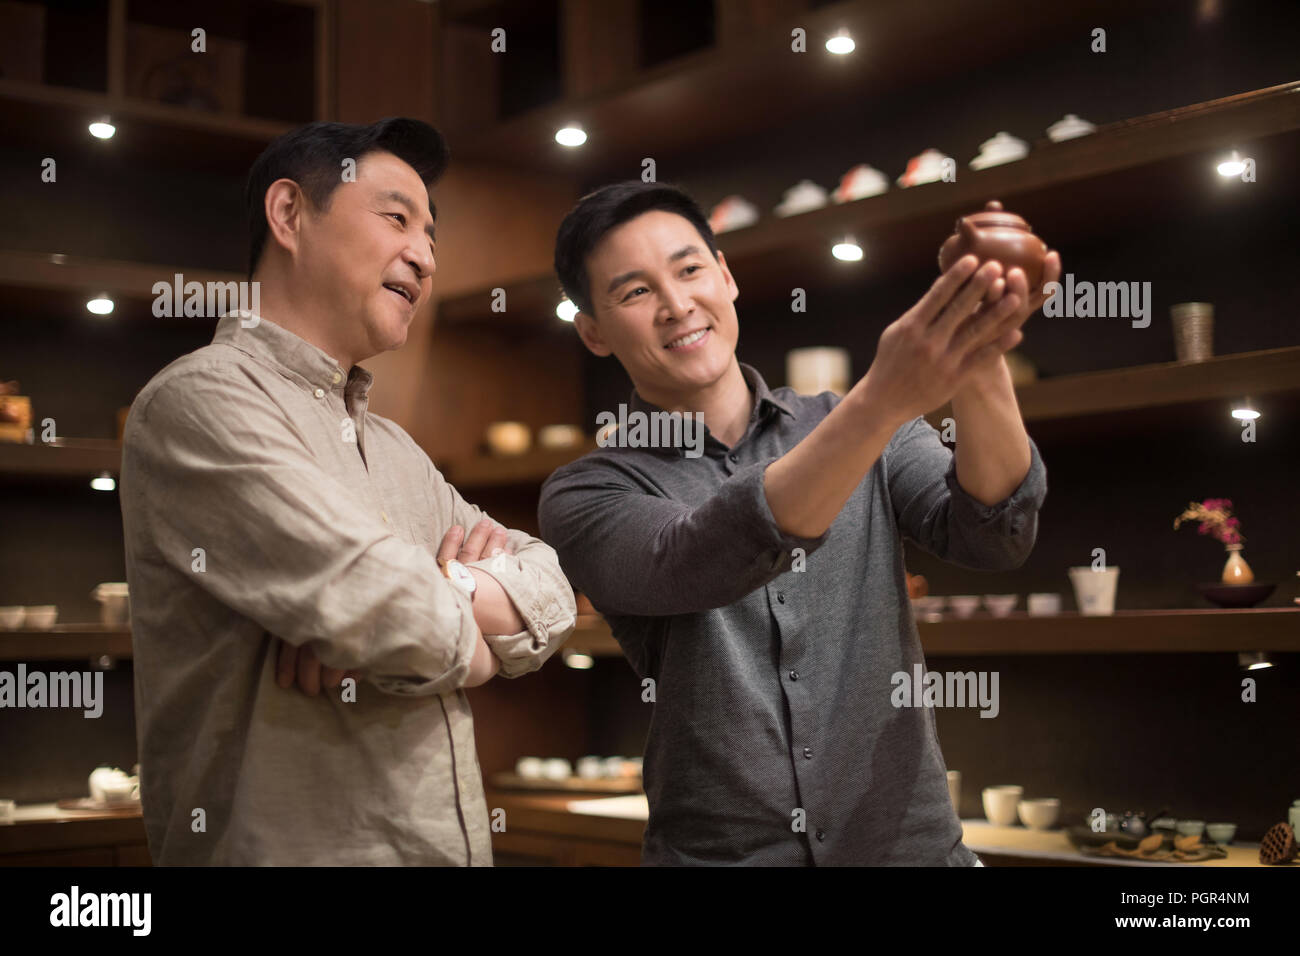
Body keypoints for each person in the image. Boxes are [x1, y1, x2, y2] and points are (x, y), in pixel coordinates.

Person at [538, 181, 1055, 865]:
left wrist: (979, 350)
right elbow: (700, 555)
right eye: (635, 292)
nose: (677, 305)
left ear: (725, 275)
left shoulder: (864, 427)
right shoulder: (588, 491)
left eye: (690, 269)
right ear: (593, 332)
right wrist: (879, 402)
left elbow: (992, 533)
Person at [120, 118, 576, 865]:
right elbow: (401, 617)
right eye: (397, 217)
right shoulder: (199, 402)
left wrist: (429, 593)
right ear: (290, 214)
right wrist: (460, 623)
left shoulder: (395, 448)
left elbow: (552, 587)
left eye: (433, 233)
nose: (426, 256)